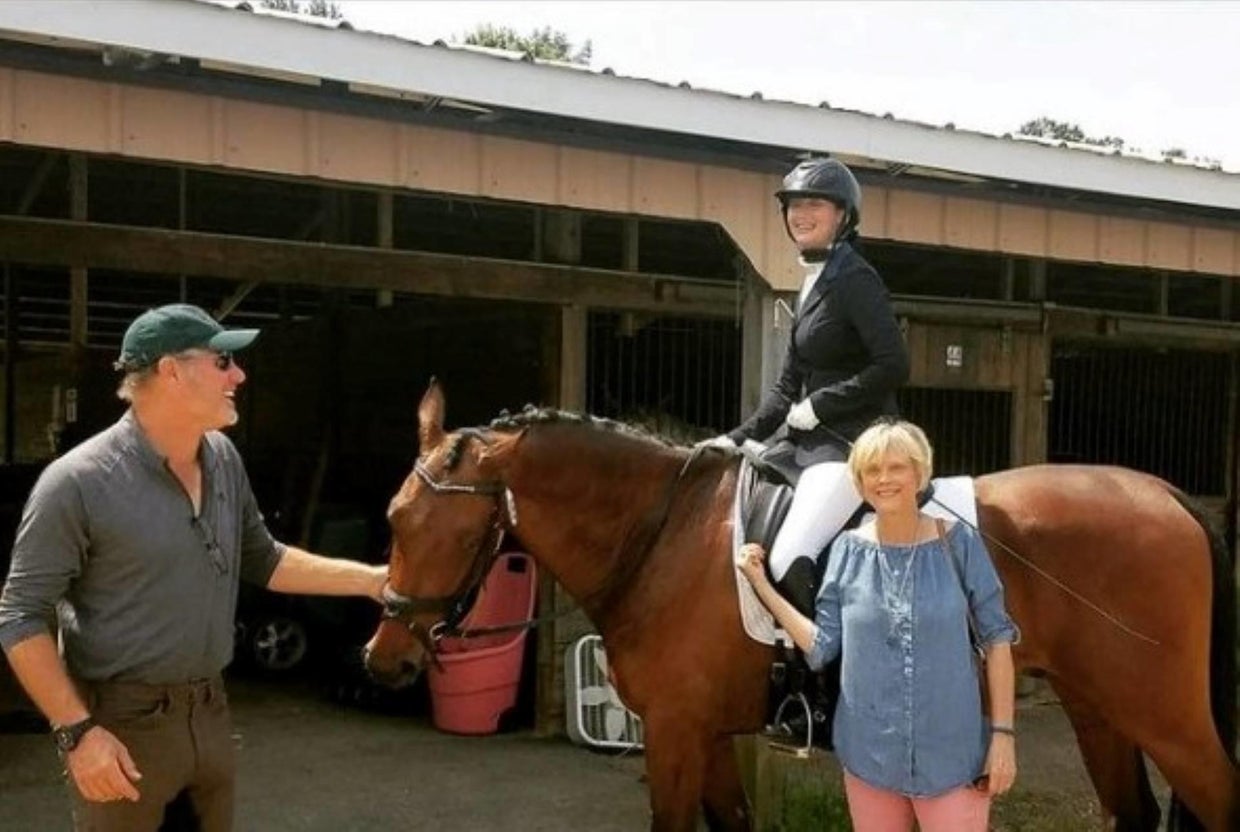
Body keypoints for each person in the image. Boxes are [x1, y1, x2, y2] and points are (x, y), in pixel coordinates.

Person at [0, 304, 389, 832]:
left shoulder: (223, 458)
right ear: (171, 370)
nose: (240, 375)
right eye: (223, 361)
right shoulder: (76, 483)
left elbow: (263, 558)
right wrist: (77, 732)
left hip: (210, 713)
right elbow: (20, 614)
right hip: (121, 728)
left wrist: (372, 580)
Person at [739, 419, 1018, 832]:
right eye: (872, 470)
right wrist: (761, 584)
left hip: (951, 757)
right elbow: (821, 647)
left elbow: (997, 640)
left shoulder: (958, 543)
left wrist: (1003, 736)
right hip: (870, 759)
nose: (884, 479)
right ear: (859, 481)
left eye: (896, 467)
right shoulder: (847, 552)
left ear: (919, 473)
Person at [706, 157, 909, 613]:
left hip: (853, 442)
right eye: (794, 205)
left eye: (814, 203)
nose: (800, 213)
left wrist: (821, 404)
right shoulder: (813, 284)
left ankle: (826, 669)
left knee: (786, 556)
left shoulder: (856, 279)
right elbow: (784, 390)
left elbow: (894, 364)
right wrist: (735, 438)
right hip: (805, 443)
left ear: (843, 215)